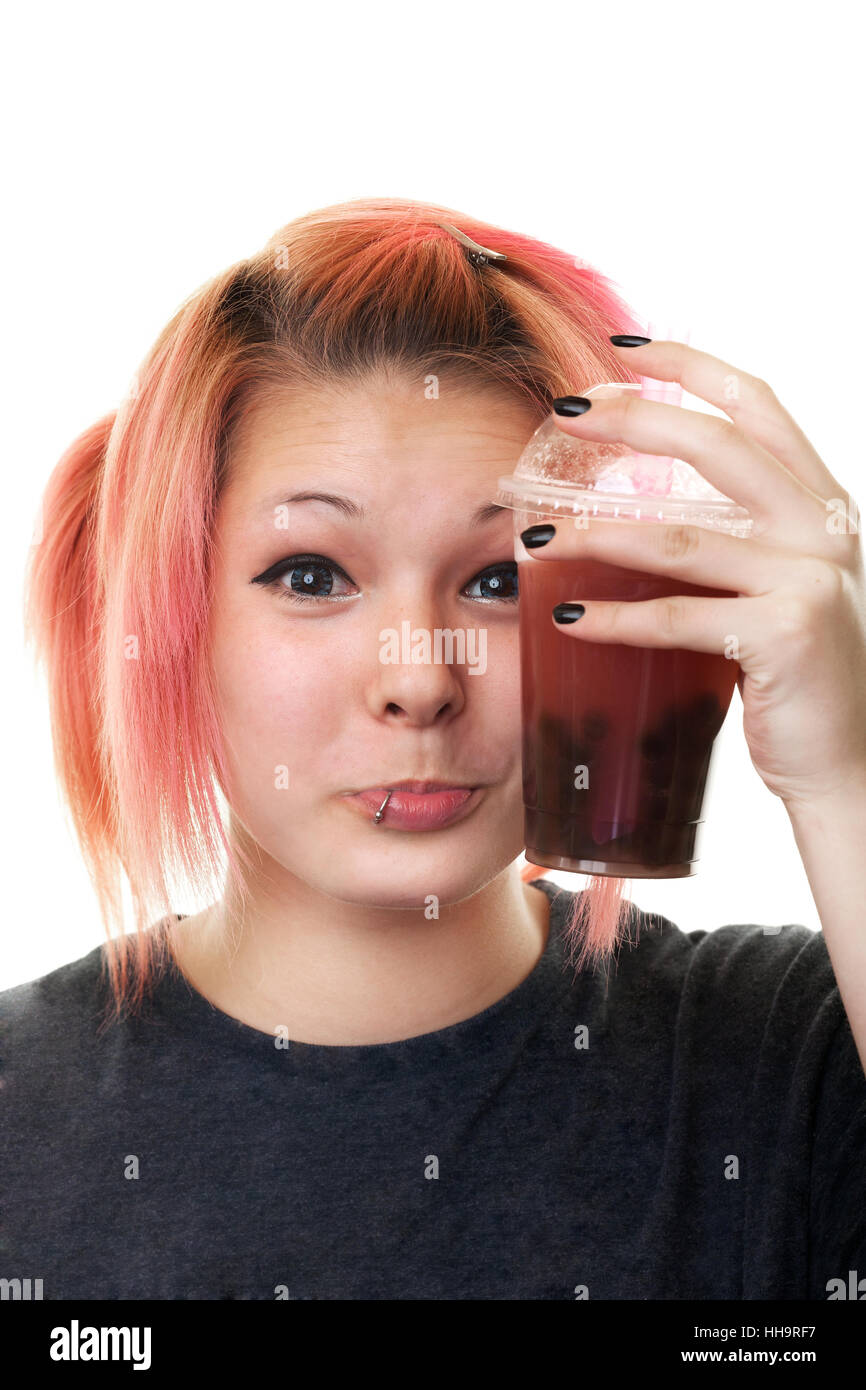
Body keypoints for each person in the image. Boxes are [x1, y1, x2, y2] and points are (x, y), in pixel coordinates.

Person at [3, 197, 865, 1301]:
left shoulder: (794, 1058)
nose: (418, 679)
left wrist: (841, 778)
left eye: (501, 577)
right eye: (309, 574)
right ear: (171, 621)